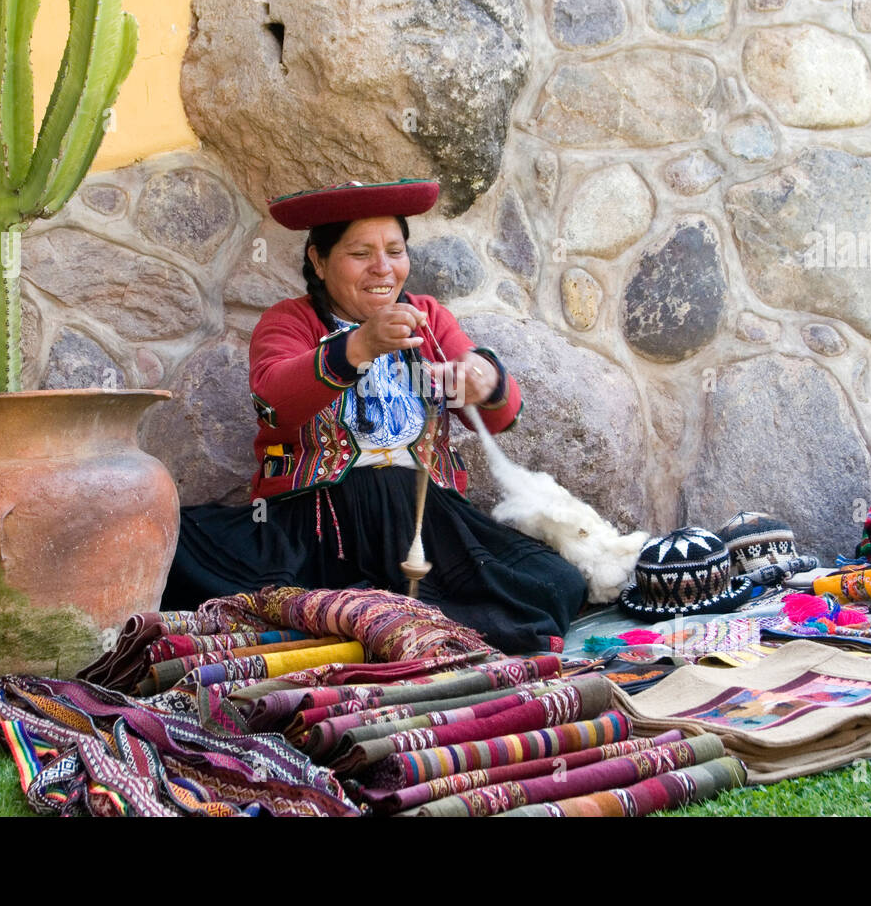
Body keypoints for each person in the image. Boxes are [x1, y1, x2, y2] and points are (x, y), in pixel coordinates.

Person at [162, 179, 587, 652]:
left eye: (394, 250)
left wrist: (482, 379)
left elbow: (500, 415)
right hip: (319, 528)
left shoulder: (427, 317)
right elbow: (274, 403)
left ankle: (369, 623)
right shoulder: (290, 322)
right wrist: (358, 346)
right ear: (319, 262)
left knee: (557, 583)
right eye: (360, 253)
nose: (382, 268)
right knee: (175, 545)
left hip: (426, 522)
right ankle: (382, 621)